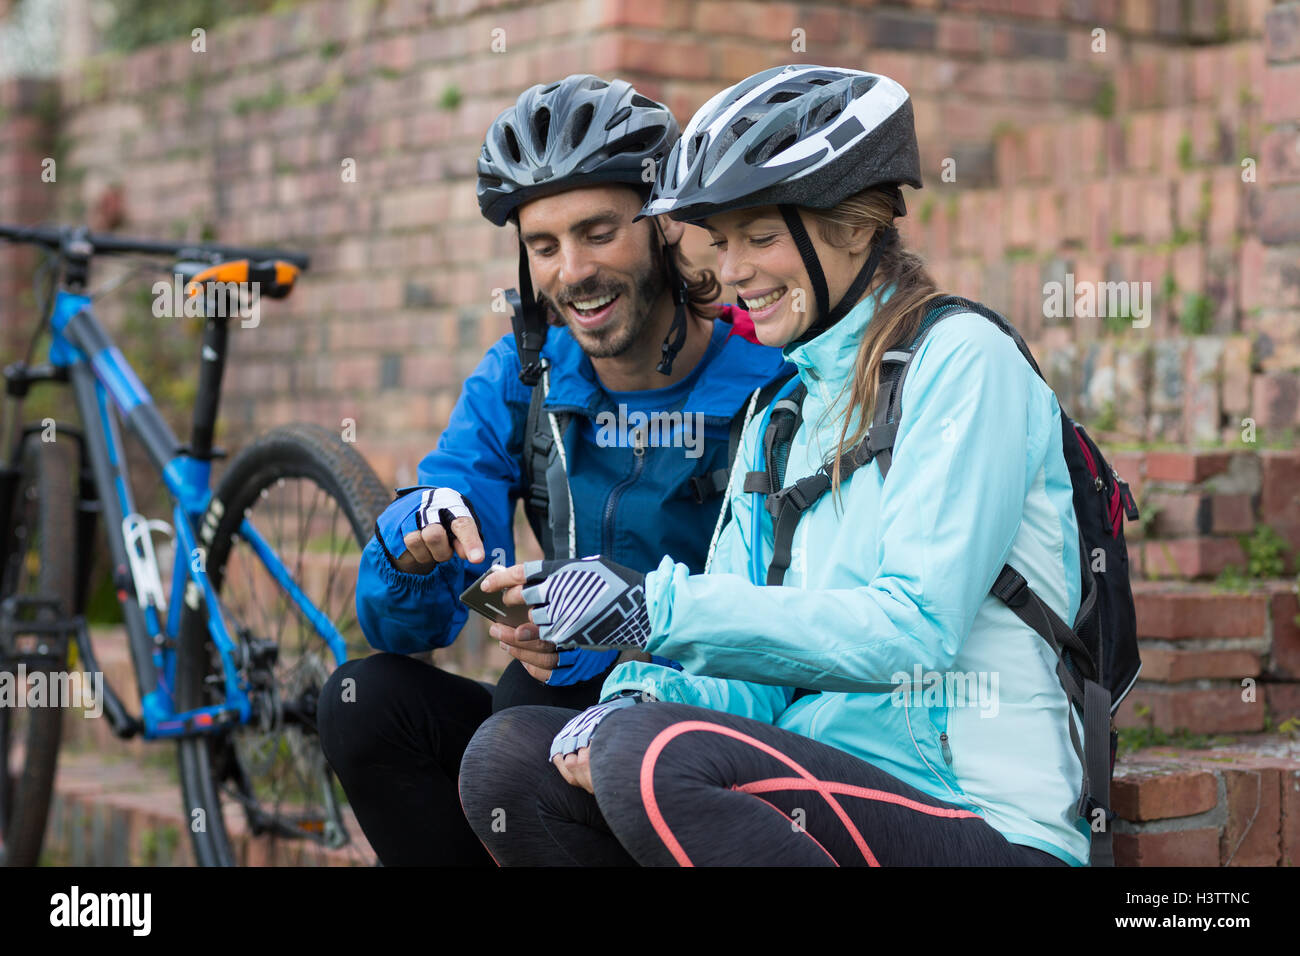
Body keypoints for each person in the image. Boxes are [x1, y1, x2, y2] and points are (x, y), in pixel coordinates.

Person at [459, 64, 1090, 867]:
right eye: (720, 242)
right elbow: (752, 678)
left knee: (651, 757)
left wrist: (658, 610)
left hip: (979, 818)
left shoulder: (962, 362)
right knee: (513, 756)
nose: (732, 273)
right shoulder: (779, 413)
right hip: (821, 791)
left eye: (759, 237)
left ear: (853, 228)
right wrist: (639, 689)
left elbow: (914, 634)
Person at [315, 74, 792, 866]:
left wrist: (615, 637)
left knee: (524, 707)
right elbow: (408, 626)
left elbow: (792, 623)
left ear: (664, 230)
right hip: (551, 720)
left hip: (711, 725)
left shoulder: (768, 382)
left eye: (599, 232)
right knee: (366, 705)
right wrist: (414, 543)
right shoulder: (523, 376)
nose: (573, 271)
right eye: (544, 247)